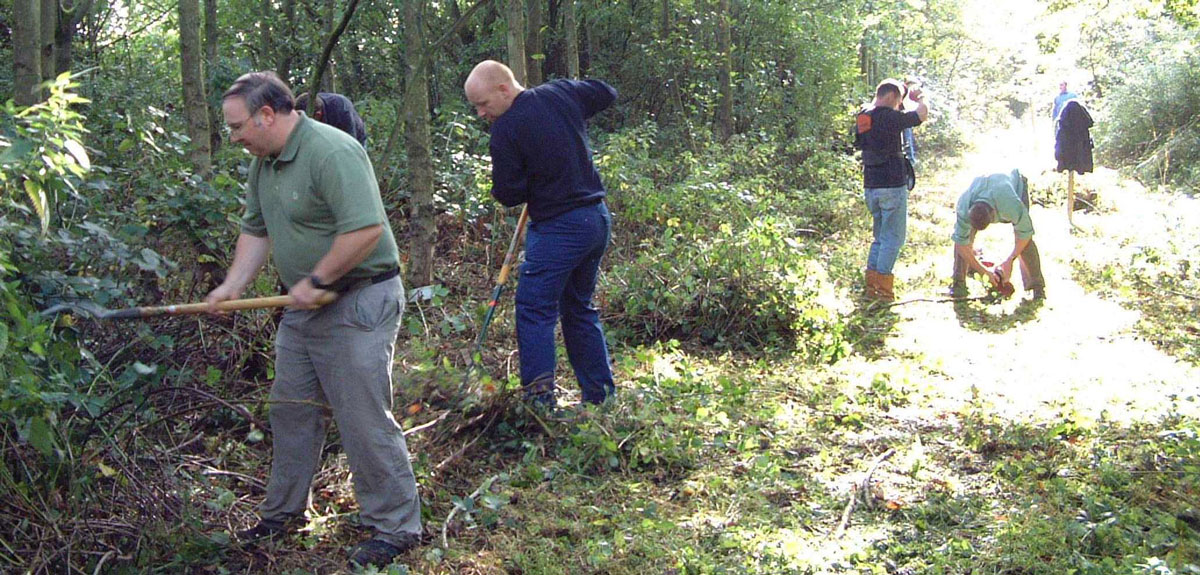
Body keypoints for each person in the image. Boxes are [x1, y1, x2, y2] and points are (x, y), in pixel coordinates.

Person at [206, 72, 420, 569]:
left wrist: (319, 279)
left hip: (359, 300)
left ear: (267, 115)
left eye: (238, 126)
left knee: (361, 417)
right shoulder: (264, 164)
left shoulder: (333, 152)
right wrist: (233, 285)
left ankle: (395, 528)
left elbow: (366, 230)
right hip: (302, 310)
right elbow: (256, 231)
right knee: (291, 410)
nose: (234, 137)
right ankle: (283, 513)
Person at [463, 60, 617, 406]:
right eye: (475, 107)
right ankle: (601, 399)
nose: (480, 113)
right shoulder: (560, 93)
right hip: (595, 221)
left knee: (534, 310)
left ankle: (539, 406)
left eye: (483, 104)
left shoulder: (507, 129)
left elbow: (508, 193)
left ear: (504, 89)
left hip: (559, 230)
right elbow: (606, 93)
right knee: (578, 308)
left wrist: (533, 173)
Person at [855, 78, 928, 301]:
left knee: (879, 237)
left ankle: (871, 286)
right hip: (891, 186)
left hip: (871, 186)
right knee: (893, 238)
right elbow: (921, 115)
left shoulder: (864, 115)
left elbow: (881, 103)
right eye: (899, 100)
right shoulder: (889, 116)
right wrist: (920, 97)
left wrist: (898, 90)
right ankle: (883, 290)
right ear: (893, 98)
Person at [949, 169, 1046, 299]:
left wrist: (1009, 260)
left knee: (1025, 242)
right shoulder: (964, 205)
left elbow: (1025, 234)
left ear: (995, 213)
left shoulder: (1010, 204)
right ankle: (958, 284)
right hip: (987, 183)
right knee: (963, 237)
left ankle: (1037, 286)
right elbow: (961, 244)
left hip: (1013, 184)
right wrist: (984, 272)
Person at [295, 91, 368, 146]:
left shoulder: (342, 108)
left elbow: (351, 143)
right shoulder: (306, 103)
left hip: (355, 139)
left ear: (318, 115)